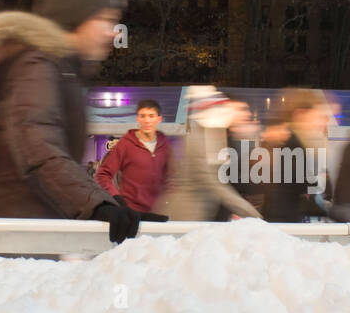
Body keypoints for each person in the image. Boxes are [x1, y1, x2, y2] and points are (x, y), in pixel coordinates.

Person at [0, 0, 157, 245]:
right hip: (0, 242)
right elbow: (41, 151)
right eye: (105, 20)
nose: (113, 33)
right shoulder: (35, 66)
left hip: (22, 239)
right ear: (75, 18)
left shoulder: (59, 69)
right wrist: (99, 207)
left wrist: (113, 205)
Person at [153, 86, 262, 222]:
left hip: (203, 215)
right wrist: (253, 214)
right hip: (187, 214)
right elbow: (213, 183)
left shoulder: (213, 134)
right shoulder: (200, 138)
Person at [261, 89, 332, 223]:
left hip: (281, 214)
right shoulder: (289, 141)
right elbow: (304, 182)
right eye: (314, 116)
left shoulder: (287, 138)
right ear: (300, 114)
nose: (317, 122)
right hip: (281, 216)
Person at [95, 99, 173, 214]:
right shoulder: (125, 144)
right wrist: (116, 197)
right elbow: (102, 174)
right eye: (143, 116)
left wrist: (169, 201)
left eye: (151, 116)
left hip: (158, 212)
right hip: (132, 212)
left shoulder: (165, 144)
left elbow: (171, 179)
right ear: (138, 118)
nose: (147, 120)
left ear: (158, 119)